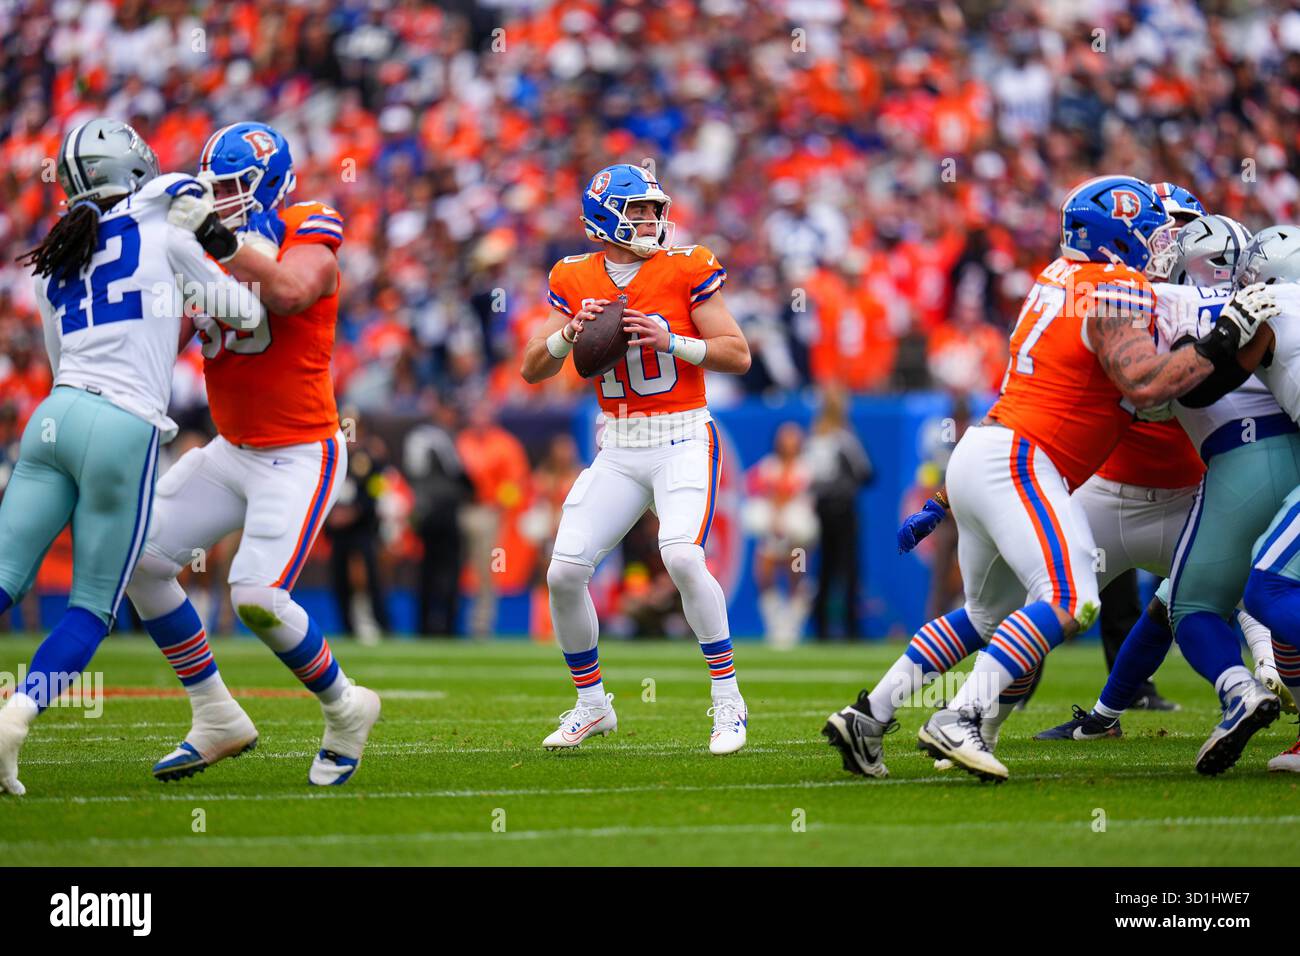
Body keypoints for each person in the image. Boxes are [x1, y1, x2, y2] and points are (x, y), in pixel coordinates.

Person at [822, 175, 1274, 782]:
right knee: (1070, 598)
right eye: (1150, 233)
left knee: (983, 616)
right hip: (1023, 461)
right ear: (1119, 238)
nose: (1159, 245)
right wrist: (1222, 341)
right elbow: (1143, 382)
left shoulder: (1057, 278)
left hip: (988, 451)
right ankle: (961, 716)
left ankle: (868, 715)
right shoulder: (1114, 285)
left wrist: (943, 497)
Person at [0, 118, 264, 795]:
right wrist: (209, 267)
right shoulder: (166, 220)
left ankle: (215, 709)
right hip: (120, 429)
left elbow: (64, 365)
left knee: (5, 580)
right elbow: (245, 315)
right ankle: (16, 718)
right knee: (91, 605)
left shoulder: (52, 264)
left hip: (51, 422)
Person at [122, 121, 381, 787]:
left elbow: (292, 291)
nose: (224, 199)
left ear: (269, 182)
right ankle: (215, 714)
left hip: (300, 453)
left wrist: (213, 239)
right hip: (232, 450)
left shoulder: (309, 223)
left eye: (236, 187)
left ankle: (345, 706)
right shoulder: (206, 246)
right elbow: (170, 331)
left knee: (257, 597)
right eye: (215, 189)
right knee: (140, 561)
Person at [520, 162, 752, 754]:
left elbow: (737, 354)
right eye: (638, 209)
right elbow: (531, 368)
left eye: (654, 208)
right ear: (603, 218)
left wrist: (671, 339)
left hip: (681, 435)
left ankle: (728, 704)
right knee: (565, 571)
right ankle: (592, 705)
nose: (651, 219)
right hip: (618, 443)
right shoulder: (573, 276)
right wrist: (566, 336)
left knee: (680, 555)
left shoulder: (687, 267)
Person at [807, 387, 873, 640]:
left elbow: (810, 477)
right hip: (844, 509)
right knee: (848, 569)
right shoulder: (845, 438)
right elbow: (865, 471)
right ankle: (851, 628)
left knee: (823, 569)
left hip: (821, 510)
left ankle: (821, 628)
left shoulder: (815, 437)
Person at [745, 422, 819, 648]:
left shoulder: (807, 468)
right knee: (764, 575)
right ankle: (775, 623)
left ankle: (792, 624)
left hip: (797, 538)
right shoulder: (768, 466)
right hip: (773, 534)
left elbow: (799, 496)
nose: (789, 442)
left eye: (793, 437)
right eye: (785, 437)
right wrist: (774, 518)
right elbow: (756, 490)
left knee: (797, 576)